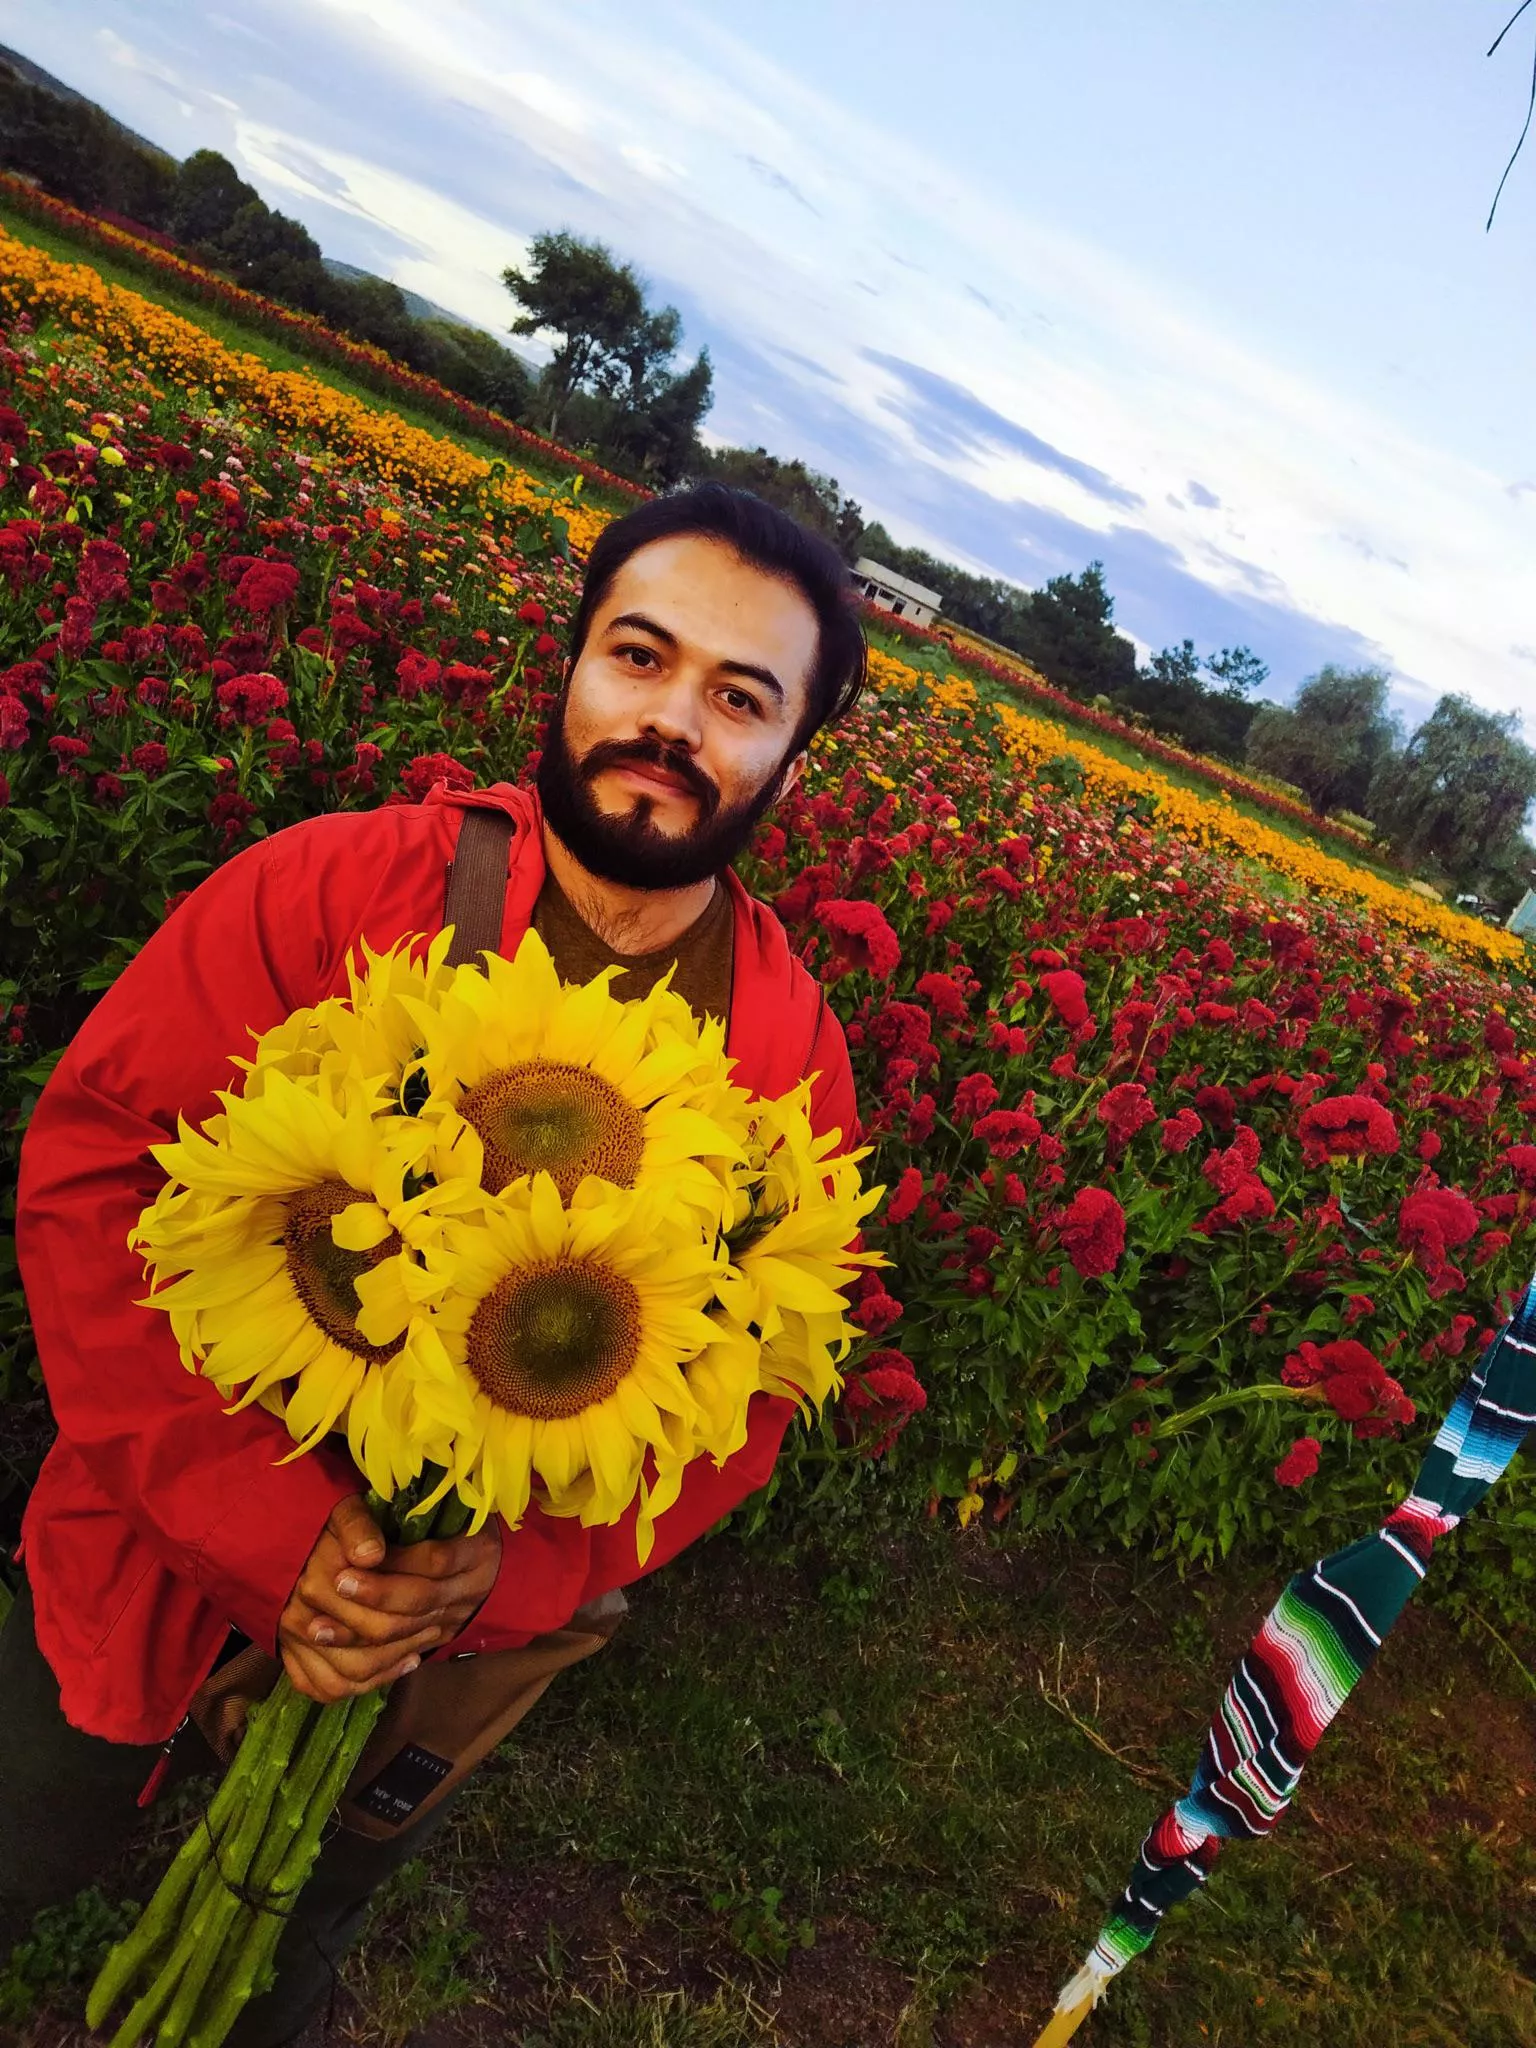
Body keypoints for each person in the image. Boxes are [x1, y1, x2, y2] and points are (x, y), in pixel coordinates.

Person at [1, 484, 868, 2044]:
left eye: (739, 697)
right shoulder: (342, 891)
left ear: (791, 753)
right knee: (25, 1823)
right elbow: (93, 1183)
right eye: (640, 655)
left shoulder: (789, 1055)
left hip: (434, 1653)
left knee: (281, 1945)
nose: (670, 721)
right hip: (141, 1551)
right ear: (573, 661)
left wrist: (495, 1578)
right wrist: (271, 1534)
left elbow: (740, 1410)